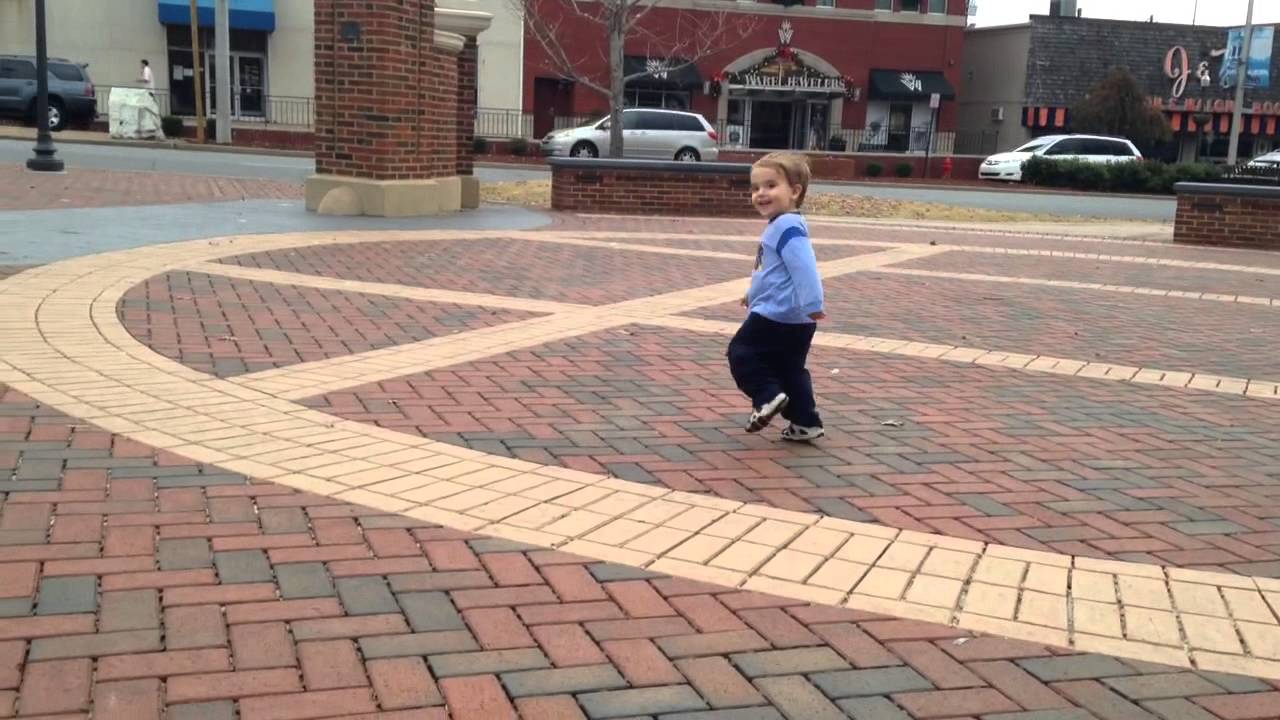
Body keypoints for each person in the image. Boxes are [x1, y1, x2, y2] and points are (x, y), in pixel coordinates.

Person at [727, 152, 826, 442]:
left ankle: (766, 397)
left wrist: (814, 303)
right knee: (790, 369)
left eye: (771, 185)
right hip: (797, 318)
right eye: (756, 188)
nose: (761, 194)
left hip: (775, 314)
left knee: (741, 353)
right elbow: (772, 273)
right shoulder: (788, 225)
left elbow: (805, 268)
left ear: (795, 191)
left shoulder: (785, 227)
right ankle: (806, 422)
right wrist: (752, 293)